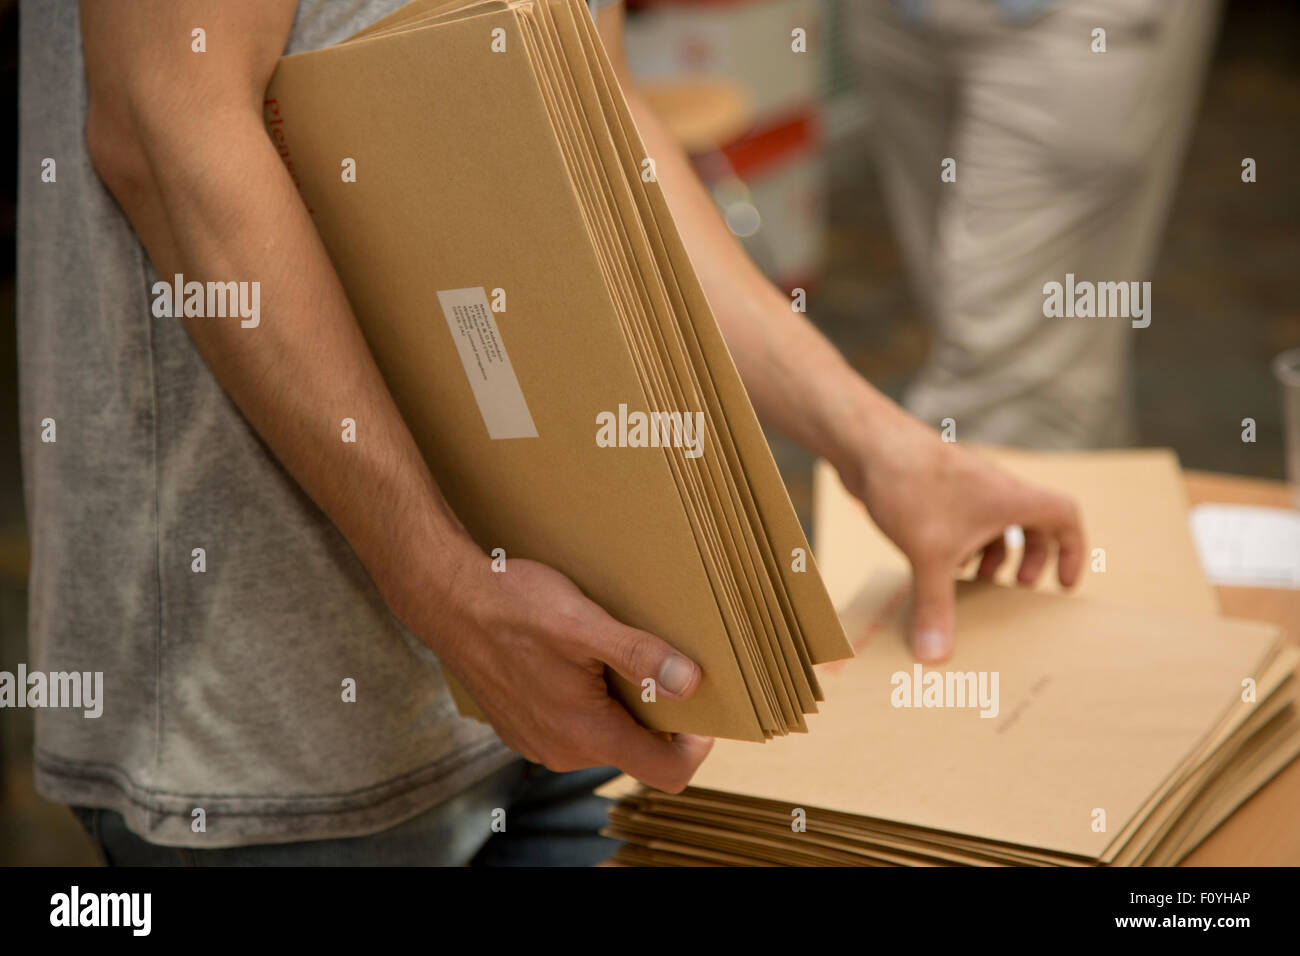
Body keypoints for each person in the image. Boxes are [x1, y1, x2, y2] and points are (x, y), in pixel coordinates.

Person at [17, 0, 1081, 865]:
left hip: (568, 646)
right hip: (279, 725)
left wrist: (873, 440)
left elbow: (591, 119)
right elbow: (169, 136)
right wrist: (442, 584)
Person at [852, 0, 1222, 447]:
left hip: (1071, 23)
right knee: (1011, 347)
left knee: (1002, 389)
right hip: (900, 18)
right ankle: (1098, 502)